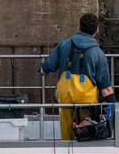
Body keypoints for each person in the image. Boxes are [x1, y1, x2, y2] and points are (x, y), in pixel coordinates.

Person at [41, 13, 114, 141]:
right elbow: (105, 87)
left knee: (67, 133)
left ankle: (66, 152)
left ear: (79, 27)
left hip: (65, 96)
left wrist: (42, 69)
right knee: (87, 133)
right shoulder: (98, 53)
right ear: (96, 31)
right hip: (86, 100)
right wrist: (112, 104)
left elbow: (48, 66)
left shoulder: (64, 45)